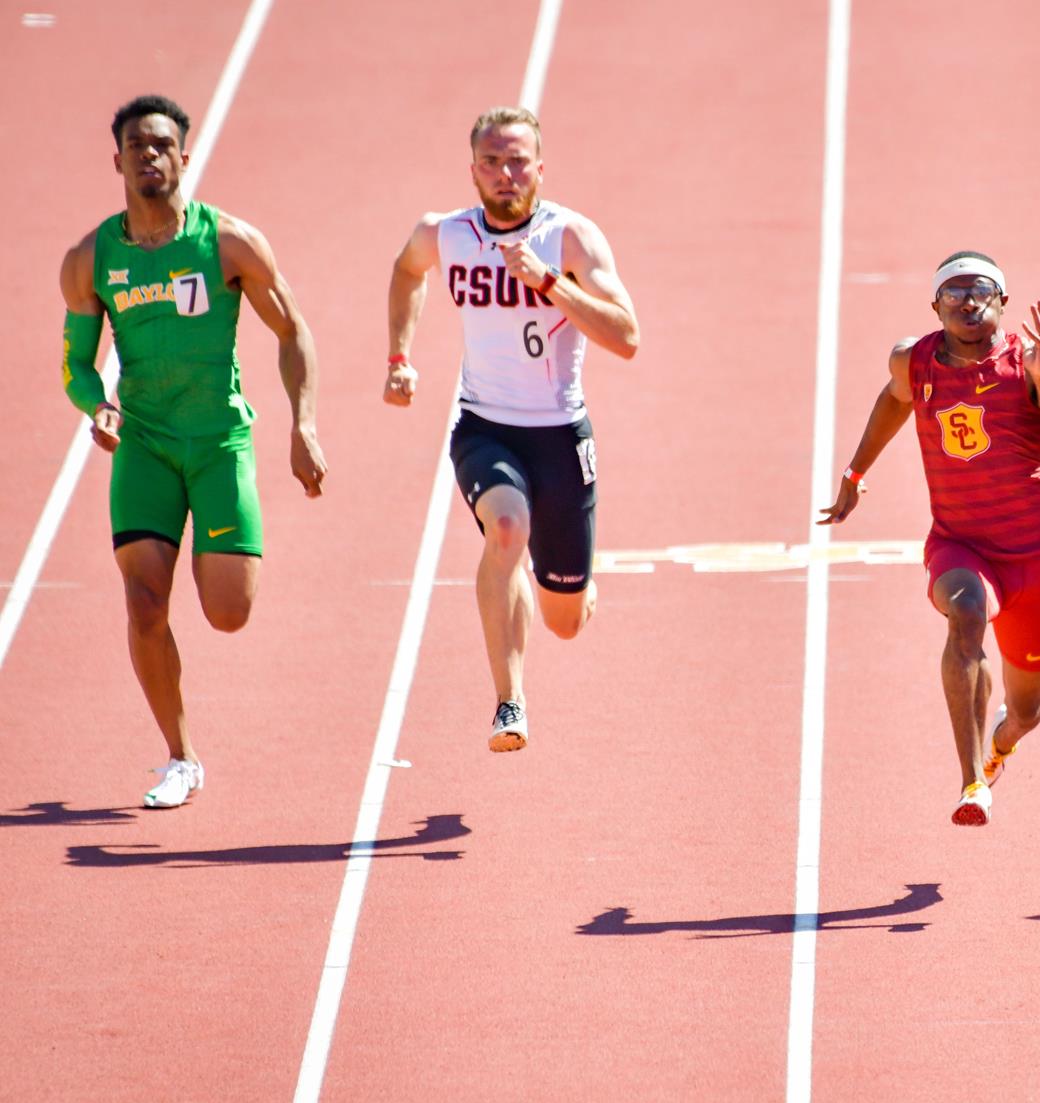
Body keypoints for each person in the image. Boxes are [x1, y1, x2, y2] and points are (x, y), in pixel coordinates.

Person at [56, 95, 327, 810]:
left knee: (228, 612)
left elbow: (293, 329)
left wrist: (302, 426)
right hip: (142, 444)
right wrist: (99, 406)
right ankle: (180, 756)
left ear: (184, 155)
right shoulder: (91, 259)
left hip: (217, 444)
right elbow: (78, 366)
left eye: (162, 144)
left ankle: (224, 548)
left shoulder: (228, 243)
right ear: (116, 160)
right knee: (144, 601)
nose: (150, 154)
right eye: (136, 145)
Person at [383, 106, 639, 752]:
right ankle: (509, 701)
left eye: (518, 160)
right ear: (472, 170)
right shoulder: (446, 234)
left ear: (541, 169)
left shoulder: (571, 239)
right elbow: (407, 270)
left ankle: (575, 586)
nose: (505, 173)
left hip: (559, 436)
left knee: (566, 621)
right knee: (504, 529)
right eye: (492, 161)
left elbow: (627, 337)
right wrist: (399, 355)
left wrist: (549, 282)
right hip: (484, 427)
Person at [819, 252, 1040, 825]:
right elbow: (892, 403)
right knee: (966, 614)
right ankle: (972, 781)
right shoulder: (914, 361)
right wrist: (853, 474)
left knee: (1027, 708)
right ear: (935, 307)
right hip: (959, 545)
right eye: (953, 294)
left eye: (980, 291)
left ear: (1002, 302)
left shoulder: (1032, 363)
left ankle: (1002, 741)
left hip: (1033, 558)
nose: (967, 303)